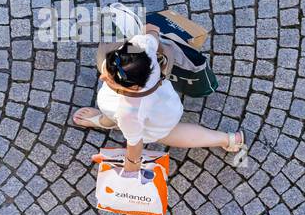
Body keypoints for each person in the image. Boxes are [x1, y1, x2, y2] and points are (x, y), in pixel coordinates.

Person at [73, 23, 244, 172]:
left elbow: (135, 146)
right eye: (107, 71)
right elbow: (152, 31)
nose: (102, 77)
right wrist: (148, 32)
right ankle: (107, 120)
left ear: (133, 87)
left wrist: (131, 168)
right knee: (116, 117)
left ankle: (226, 139)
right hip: (162, 102)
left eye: (111, 80)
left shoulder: (129, 113)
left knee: (167, 134)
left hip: (153, 120)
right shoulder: (142, 48)